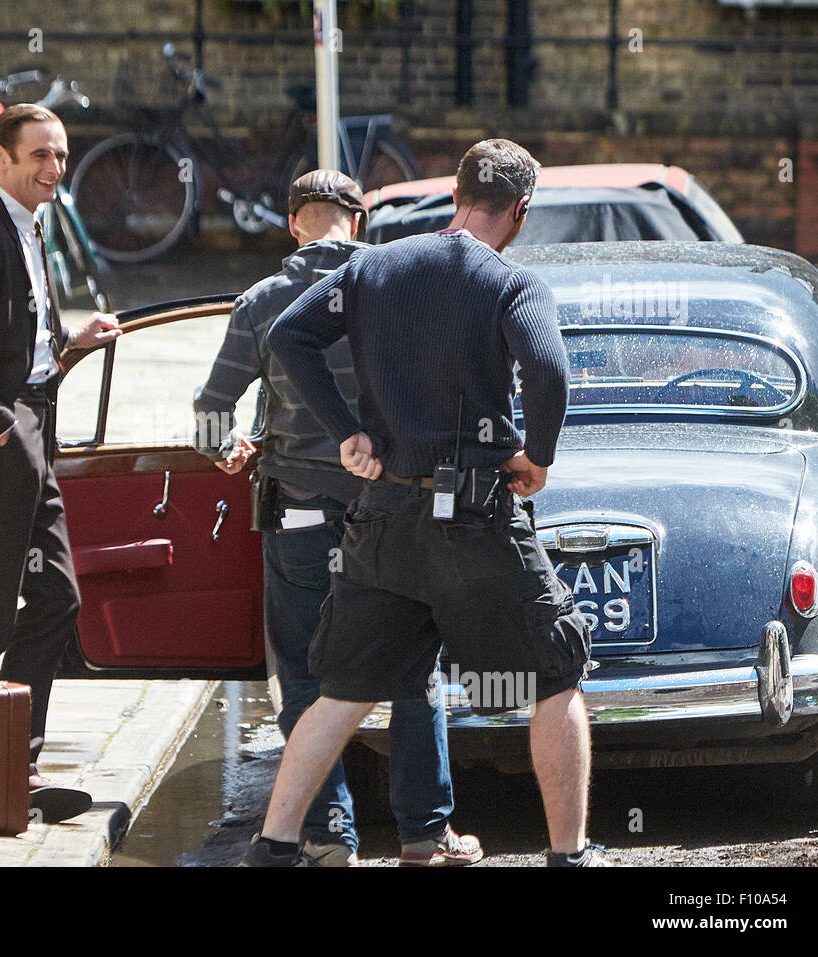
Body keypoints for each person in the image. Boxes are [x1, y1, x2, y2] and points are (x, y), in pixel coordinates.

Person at [247, 138, 612, 867]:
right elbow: (548, 373)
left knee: (343, 688)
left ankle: (274, 843)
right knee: (555, 670)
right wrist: (536, 457)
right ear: (521, 210)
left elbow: (289, 336)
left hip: (383, 519)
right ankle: (570, 854)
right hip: (475, 516)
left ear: (456, 192)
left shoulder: (373, 266)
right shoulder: (511, 283)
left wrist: (347, 430)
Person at [195, 170, 482, 867]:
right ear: (357, 222)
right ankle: (423, 831)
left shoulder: (261, 302)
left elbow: (210, 413)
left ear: (294, 224)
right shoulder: (396, 290)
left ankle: (326, 836)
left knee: (305, 673)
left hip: (298, 513)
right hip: (394, 510)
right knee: (414, 664)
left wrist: (230, 450)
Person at [0, 103, 121, 824]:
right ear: (1, 160)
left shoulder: (30, 228)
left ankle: (15, 752)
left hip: (33, 427)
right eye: (39, 155)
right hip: (0, 441)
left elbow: (27, 341)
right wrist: (2, 431)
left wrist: (76, 343)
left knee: (58, 597)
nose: (54, 169)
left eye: (62, 155)